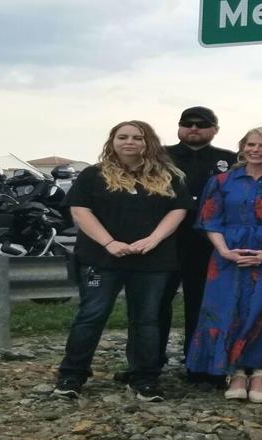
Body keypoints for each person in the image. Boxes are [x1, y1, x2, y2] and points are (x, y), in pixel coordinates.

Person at [52, 120, 190, 402]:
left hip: (153, 260)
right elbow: (80, 212)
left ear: (148, 142)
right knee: (91, 315)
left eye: (137, 137)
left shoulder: (169, 176)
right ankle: (72, 375)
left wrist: (153, 239)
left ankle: (144, 379)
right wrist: (109, 243)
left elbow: (178, 211)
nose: (130, 142)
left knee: (146, 320)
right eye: (122, 137)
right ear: (112, 141)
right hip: (101, 258)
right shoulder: (93, 175)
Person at [184, 127, 262, 404]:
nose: (255, 150)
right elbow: (209, 219)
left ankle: (259, 373)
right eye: (250, 144)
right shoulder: (222, 181)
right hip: (227, 254)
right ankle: (237, 372)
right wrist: (224, 251)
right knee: (228, 310)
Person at [161, 106, 238, 384]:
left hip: (208, 243)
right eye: (188, 123)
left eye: (202, 124)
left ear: (215, 129)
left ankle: (200, 364)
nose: (194, 128)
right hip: (164, 240)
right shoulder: (159, 157)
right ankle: (149, 363)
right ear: (179, 127)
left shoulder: (229, 160)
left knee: (203, 304)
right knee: (156, 304)